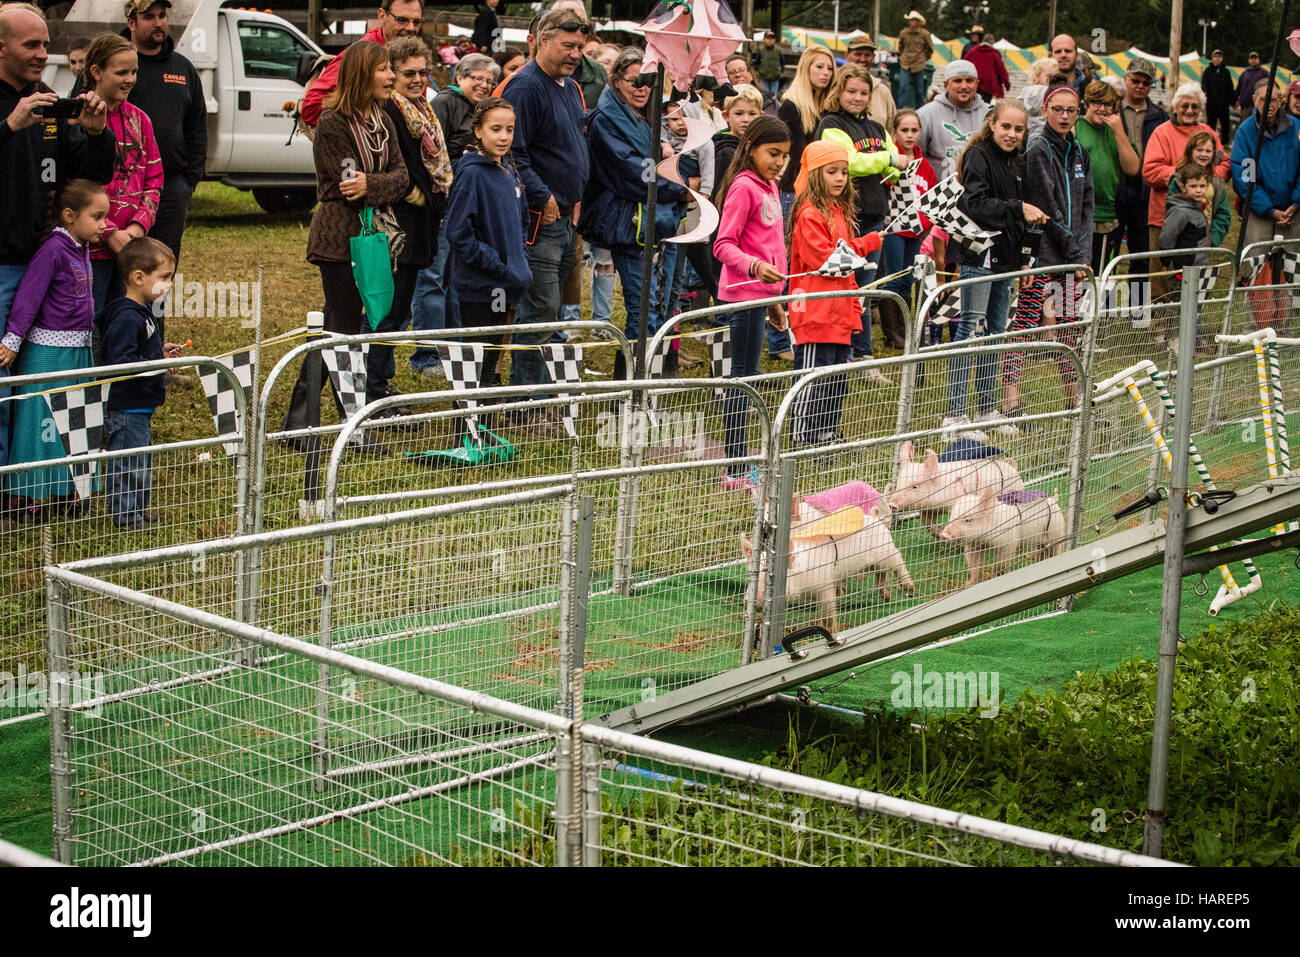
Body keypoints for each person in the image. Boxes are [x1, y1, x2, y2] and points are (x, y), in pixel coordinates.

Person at [0, 3, 114, 472]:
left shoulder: (48, 99)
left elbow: (88, 181)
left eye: (46, 44)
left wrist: (96, 135)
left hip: (53, 259)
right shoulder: (18, 110)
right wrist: (9, 127)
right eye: (31, 44)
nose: (42, 54)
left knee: (39, 378)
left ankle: (33, 478)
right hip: (3, 262)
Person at [285, 40, 409, 448]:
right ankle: (341, 427)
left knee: (339, 327)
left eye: (391, 68)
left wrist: (374, 184)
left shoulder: (383, 121)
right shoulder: (334, 122)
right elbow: (345, 187)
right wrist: (376, 185)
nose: (392, 76)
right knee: (340, 326)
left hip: (373, 237)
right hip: (340, 238)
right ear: (361, 74)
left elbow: (401, 177)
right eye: (384, 69)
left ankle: (303, 422)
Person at [500, 8, 590, 417]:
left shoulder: (569, 86)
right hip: (542, 218)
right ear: (542, 38)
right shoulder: (524, 87)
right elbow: (512, 152)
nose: (575, 54)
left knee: (551, 308)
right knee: (539, 307)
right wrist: (543, 196)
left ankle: (537, 390)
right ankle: (523, 401)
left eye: (580, 47)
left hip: (568, 216)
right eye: (568, 46)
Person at [0, 180, 108, 513]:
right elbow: (28, 298)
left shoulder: (80, 248)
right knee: (45, 420)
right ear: (69, 215)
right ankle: (31, 496)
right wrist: (12, 340)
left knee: (74, 418)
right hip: (48, 356)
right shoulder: (52, 251)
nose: (105, 224)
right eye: (97, 216)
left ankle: (67, 490)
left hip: (77, 352)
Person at [579, 46, 687, 377]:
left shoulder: (650, 119)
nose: (641, 87)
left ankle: (652, 377)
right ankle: (632, 383)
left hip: (662, 221)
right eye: (634, 80)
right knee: (643, 309)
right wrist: (680, 183)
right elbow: (635, 175)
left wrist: (675, 176)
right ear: (615, 81)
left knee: (662, 307)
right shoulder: (606, 121)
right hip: (629, 226)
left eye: (648, 81)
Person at [942, 100, 1046, 436]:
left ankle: (987, 409)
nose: (1012, 134)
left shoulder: (1020, 160)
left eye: (1018, 129)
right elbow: (975, 204)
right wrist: (1018, 207)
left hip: (1009, 258)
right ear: (992, 124)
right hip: (979, 255)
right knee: (969, 328)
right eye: (1006, 127)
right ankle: (955, 416)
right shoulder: (979, 155)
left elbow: (1032, 214)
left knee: (996, 331)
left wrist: (1028, 257)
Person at [443, 96, 532, 437]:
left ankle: (486, 426)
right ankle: (464, 431)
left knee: (493, 358)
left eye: (509, 129)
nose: (503, 136)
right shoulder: (471, 175)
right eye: (495, 129)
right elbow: (459, 233)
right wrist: (496, 264)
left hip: (504, 285)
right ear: (478, 131)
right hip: (479, 286)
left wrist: (517, 260)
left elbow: (520, 222)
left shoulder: (509, 171)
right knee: (474, 358)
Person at [1003, 86, 1093, 420]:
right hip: (1043, 253)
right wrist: (1073, 250)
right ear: (1046, 109)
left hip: (1073, 256)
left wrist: (1083, 250)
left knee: (1070, 325)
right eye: (1058, 109)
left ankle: (1075, 399)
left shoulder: (1080, 150)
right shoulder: (1039, 148)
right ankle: (1010, 402)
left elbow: (1087, 204)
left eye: (1072, 110)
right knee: (1026, 325)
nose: (1065, 116)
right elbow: (1047, 205)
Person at [787, 140, 883, 446]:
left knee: (835, 381)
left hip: (838, 313)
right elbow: (828, 261)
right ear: (816, 174)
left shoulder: (836, 211)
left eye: (844, 171)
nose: (840, 178)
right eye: (832, 171)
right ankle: (803, 438)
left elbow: (842, 257)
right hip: (816, 313)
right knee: (812, 379)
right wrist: (866, 245)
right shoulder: (809, 214)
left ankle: (826, 434)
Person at [713, 115, 790, 489]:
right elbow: (723, 245)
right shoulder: (744, 187)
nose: (778, 162)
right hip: (743, 296)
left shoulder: (770, 186)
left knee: (749, 376)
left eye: (784, 156)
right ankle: (735, 468)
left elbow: (771, 244)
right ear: (751, 148)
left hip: (761, 296)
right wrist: (755, 267)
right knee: (741, 379)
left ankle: (741, 462)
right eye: (772, 153)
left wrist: (774, 298)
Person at [814, 62, 906, 370]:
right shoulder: (831, 124)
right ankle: (844, 353)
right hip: (844, 216)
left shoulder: (877, 127)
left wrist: (895, 166)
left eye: (864, 93)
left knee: (865, 290)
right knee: (845, 287)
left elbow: (891, 167)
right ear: (838, 91)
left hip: (875, 216)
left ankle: (864, 355)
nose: (857, 97)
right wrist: (888, 159)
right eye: (851, 91)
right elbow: (848, 162)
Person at [408, 52, 495, 375]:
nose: (483, 84)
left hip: (467, 211)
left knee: (455, 280)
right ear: (460, 77)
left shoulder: (481, 111)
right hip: (442, 207)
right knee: (431, 280)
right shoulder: (445, 103)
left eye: (489, 80)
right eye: (477, 78)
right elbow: (432, 157)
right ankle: (426, 354)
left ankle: (454, 351)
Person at [379, 36, 449, 413]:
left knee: (401, 306)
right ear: (392, 74)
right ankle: (374, 383)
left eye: (423, 72)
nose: (418, 79)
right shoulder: (391, 111)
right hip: (397, 226)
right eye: (408, 73)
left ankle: (379, 381)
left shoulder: (424, 110)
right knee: (387, 310)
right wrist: (419, 196)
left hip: (422, 223)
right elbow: (398, 168)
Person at [99, 236, 183, 528]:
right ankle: (124, 516)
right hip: (125, 406)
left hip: (140, 407)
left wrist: (159, 353)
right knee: (127, 464)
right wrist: (153, 364)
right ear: (138, 277)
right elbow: (119, 363)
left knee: (141, 462)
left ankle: (137, 510)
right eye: (164, 277)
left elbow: (138, 352)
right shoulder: (125, 317)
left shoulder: (142, 312)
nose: (169, 284)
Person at [114, 1, 203, 264]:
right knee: (124, 266)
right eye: (149, 16)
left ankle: (155, 308)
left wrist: (188, 183)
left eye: (162, 16)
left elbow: (197, 127)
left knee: (162, 265)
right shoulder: (112, 64)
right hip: (122, 185)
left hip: (170, 186)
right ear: (132, 23)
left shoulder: (182, 68)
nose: (158, 23)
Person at [80, 33, 162, 314]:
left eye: (134, 71)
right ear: (97, 72)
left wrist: (138, 227)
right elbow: (73, 185)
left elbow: (154, 179)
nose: (130, 79)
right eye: (121, 72)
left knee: (128, 323)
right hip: (89, 252)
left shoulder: (141, 120)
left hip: (132, 250)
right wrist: (110, 233)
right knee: (92, 326)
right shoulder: (77, 118)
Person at [1142, 82, 1229, 302]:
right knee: (1162, 271)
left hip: (1201, 222)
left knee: (1195, 274)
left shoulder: (1208, 132)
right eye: (1185, 106)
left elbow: (1225, 164)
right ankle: (1161, 322)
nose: (1190, 110)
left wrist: (1207, 177)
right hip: (1165, 216)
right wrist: (1184, 175)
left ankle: (1191, 322)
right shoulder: (1161, 132)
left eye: (1194, 106)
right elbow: (1150, 171)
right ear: (1175, 106)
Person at [301, 0, 424, 128]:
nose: (411, 28)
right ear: (382, 16)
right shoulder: (362, 55)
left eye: (416, 22)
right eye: (401, 20)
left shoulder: (415, 55)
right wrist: (363, 122)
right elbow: (311, 108)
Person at [1114, 57, 1167, 312]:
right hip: (1115, 188)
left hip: (1146, 191)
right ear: (1126, 79)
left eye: (1146, 82)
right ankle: (1105, 311)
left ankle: (1137, 311)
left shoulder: (1159, 115)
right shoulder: (1112, 110)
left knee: (1141, 255)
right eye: (1135, 80)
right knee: (1109, 254)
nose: (1140, 86)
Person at [880, 107, 934, 348]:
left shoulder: (924, 164)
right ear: (894, 133)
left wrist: (926, 224)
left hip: (917, 231)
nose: (910, 135)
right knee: (893, 277)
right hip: (894, 229)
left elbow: (932, 196)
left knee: (908, 278)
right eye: (904, 130)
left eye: (914, 130)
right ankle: (892, 333)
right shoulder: (891, 160)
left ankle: (905, 328)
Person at [1075, 80, 1140, 275]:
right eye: (1096, 103)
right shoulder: (1076, 126)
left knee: (1103, 274)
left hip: (1107, 215)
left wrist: (1119, 132)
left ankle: (1100, 306)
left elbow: (1133, 168)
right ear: (1086, 103)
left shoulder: (1116, 131)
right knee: (1076, 275)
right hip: (1080, 214)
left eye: (1108, 105)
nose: (1102, 109)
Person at [1231, 79, 1300, 248]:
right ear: (1254, 99)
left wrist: (1296, 202)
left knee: (1293, 266)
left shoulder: (1296, 127)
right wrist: (1270, 210)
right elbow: (1245, 177)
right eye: (1263, 99)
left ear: (1280, 99)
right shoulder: (1245, 133)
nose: (1269, 104)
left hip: (1294, 210)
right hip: (1260, 211)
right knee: (1256, 262)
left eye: (1274, 99)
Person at [916, 60, 989, 181]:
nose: (964, 86)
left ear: (977, 84)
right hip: (938, 195)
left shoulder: (990, 115)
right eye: (957, 81)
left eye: (969, 80)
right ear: (946, 84)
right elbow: (915, 158)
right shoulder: (925, 115)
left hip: (980, 195)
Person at [1170, 131, 1231, 247]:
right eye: (1199, 150)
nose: (1204, 154)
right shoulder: (1178, 180)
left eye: (1208, 151)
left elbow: (1223, 215)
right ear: (1190, 151)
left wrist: (1212, 239)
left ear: (1213, 154)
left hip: (1206, 244)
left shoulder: (1218, 184)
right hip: (1181, 245)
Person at [843, 37, 895, 126]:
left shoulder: (883, 91)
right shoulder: (834, 86)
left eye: (867, 55)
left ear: (873, 57)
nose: (863, 59)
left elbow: (893, 128)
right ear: (846, 55)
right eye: (858, 54)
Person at [897, 11, 932, 109]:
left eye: (912, 20)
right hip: (905, 63)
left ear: (917, 22)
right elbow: (900, 47)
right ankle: (899, 109)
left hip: (919, 64)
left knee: (919, 90)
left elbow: (930, 49)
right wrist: (902, 56)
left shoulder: (925, 34)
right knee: (903, 87)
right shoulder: (903, 33)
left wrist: (924, 59)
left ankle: (920, 110)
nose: (910, 22)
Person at [962, 29, 1009, 102]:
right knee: (985, 107)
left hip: (973, 83)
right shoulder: (994, 54)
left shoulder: (972, 51)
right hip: (988, 86)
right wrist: (1007, 84)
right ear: (992, 43)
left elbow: (963, 65)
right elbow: (1001, 71)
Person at [1020, 57, 1058, 140]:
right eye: (1049, 76)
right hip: (1046, 132)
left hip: (1026, 130)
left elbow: (1018, 105)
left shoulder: (1026, 90)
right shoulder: (1051, 93)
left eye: (1054, 77)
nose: (1052, 79)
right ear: (1036, 77)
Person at [1201, 50, 1234, 146]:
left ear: (1222, 58)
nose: (1217, 59)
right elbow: (1204, 85)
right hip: (1211, 104)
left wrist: (1230, 100)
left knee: (1225, 124)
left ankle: (1225, 143)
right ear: (1212, 58)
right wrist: (1208, 97)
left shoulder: (1226, 72)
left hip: (1223, 104)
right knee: (1211, 124)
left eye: (1219, 57)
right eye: (1215, 57)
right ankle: (1209, 142)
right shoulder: (1207, 71)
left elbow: (1230, 87)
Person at [753, 30, 783, 100]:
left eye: (772, 38)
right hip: (763, 78)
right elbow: (756, 63)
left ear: (774, 40)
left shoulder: (778, 50)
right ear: (764, 39)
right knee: (764, 97)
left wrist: (780, 72)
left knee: (774, 98)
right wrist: (759, 71)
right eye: (768, 38)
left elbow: (782, 62)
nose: (770, 40)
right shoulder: (761, 50)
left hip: (775, 78)